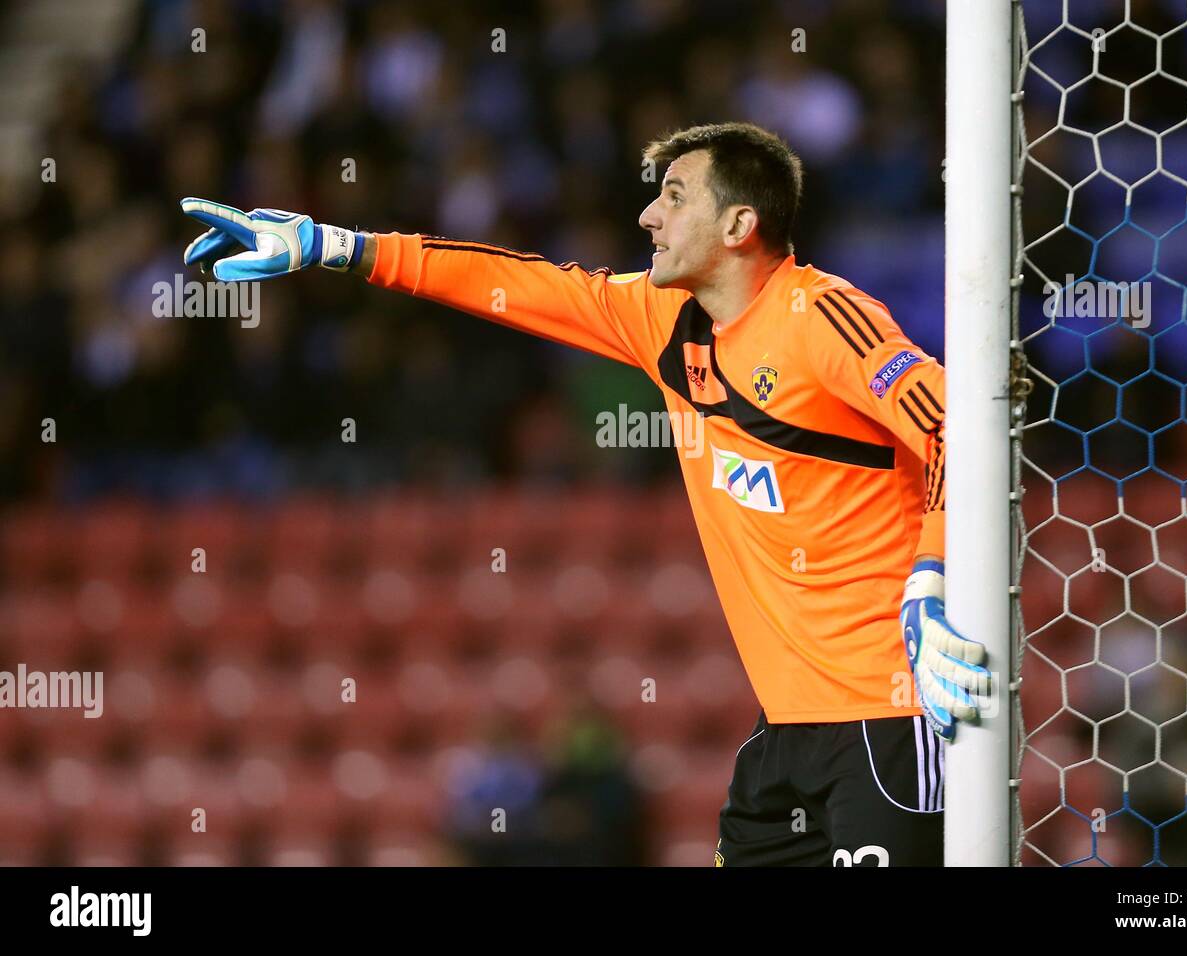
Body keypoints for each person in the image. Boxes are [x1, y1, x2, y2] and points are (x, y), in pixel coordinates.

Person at [180, 121, 991, 866]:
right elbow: (516, 283)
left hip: (888, 718)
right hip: (783, 736)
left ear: (740, 226)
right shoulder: (663, 320)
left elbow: (959, 426)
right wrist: (335, 244)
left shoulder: (822, 316)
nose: (648, 217)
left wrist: (931, 576)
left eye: (674, 197)